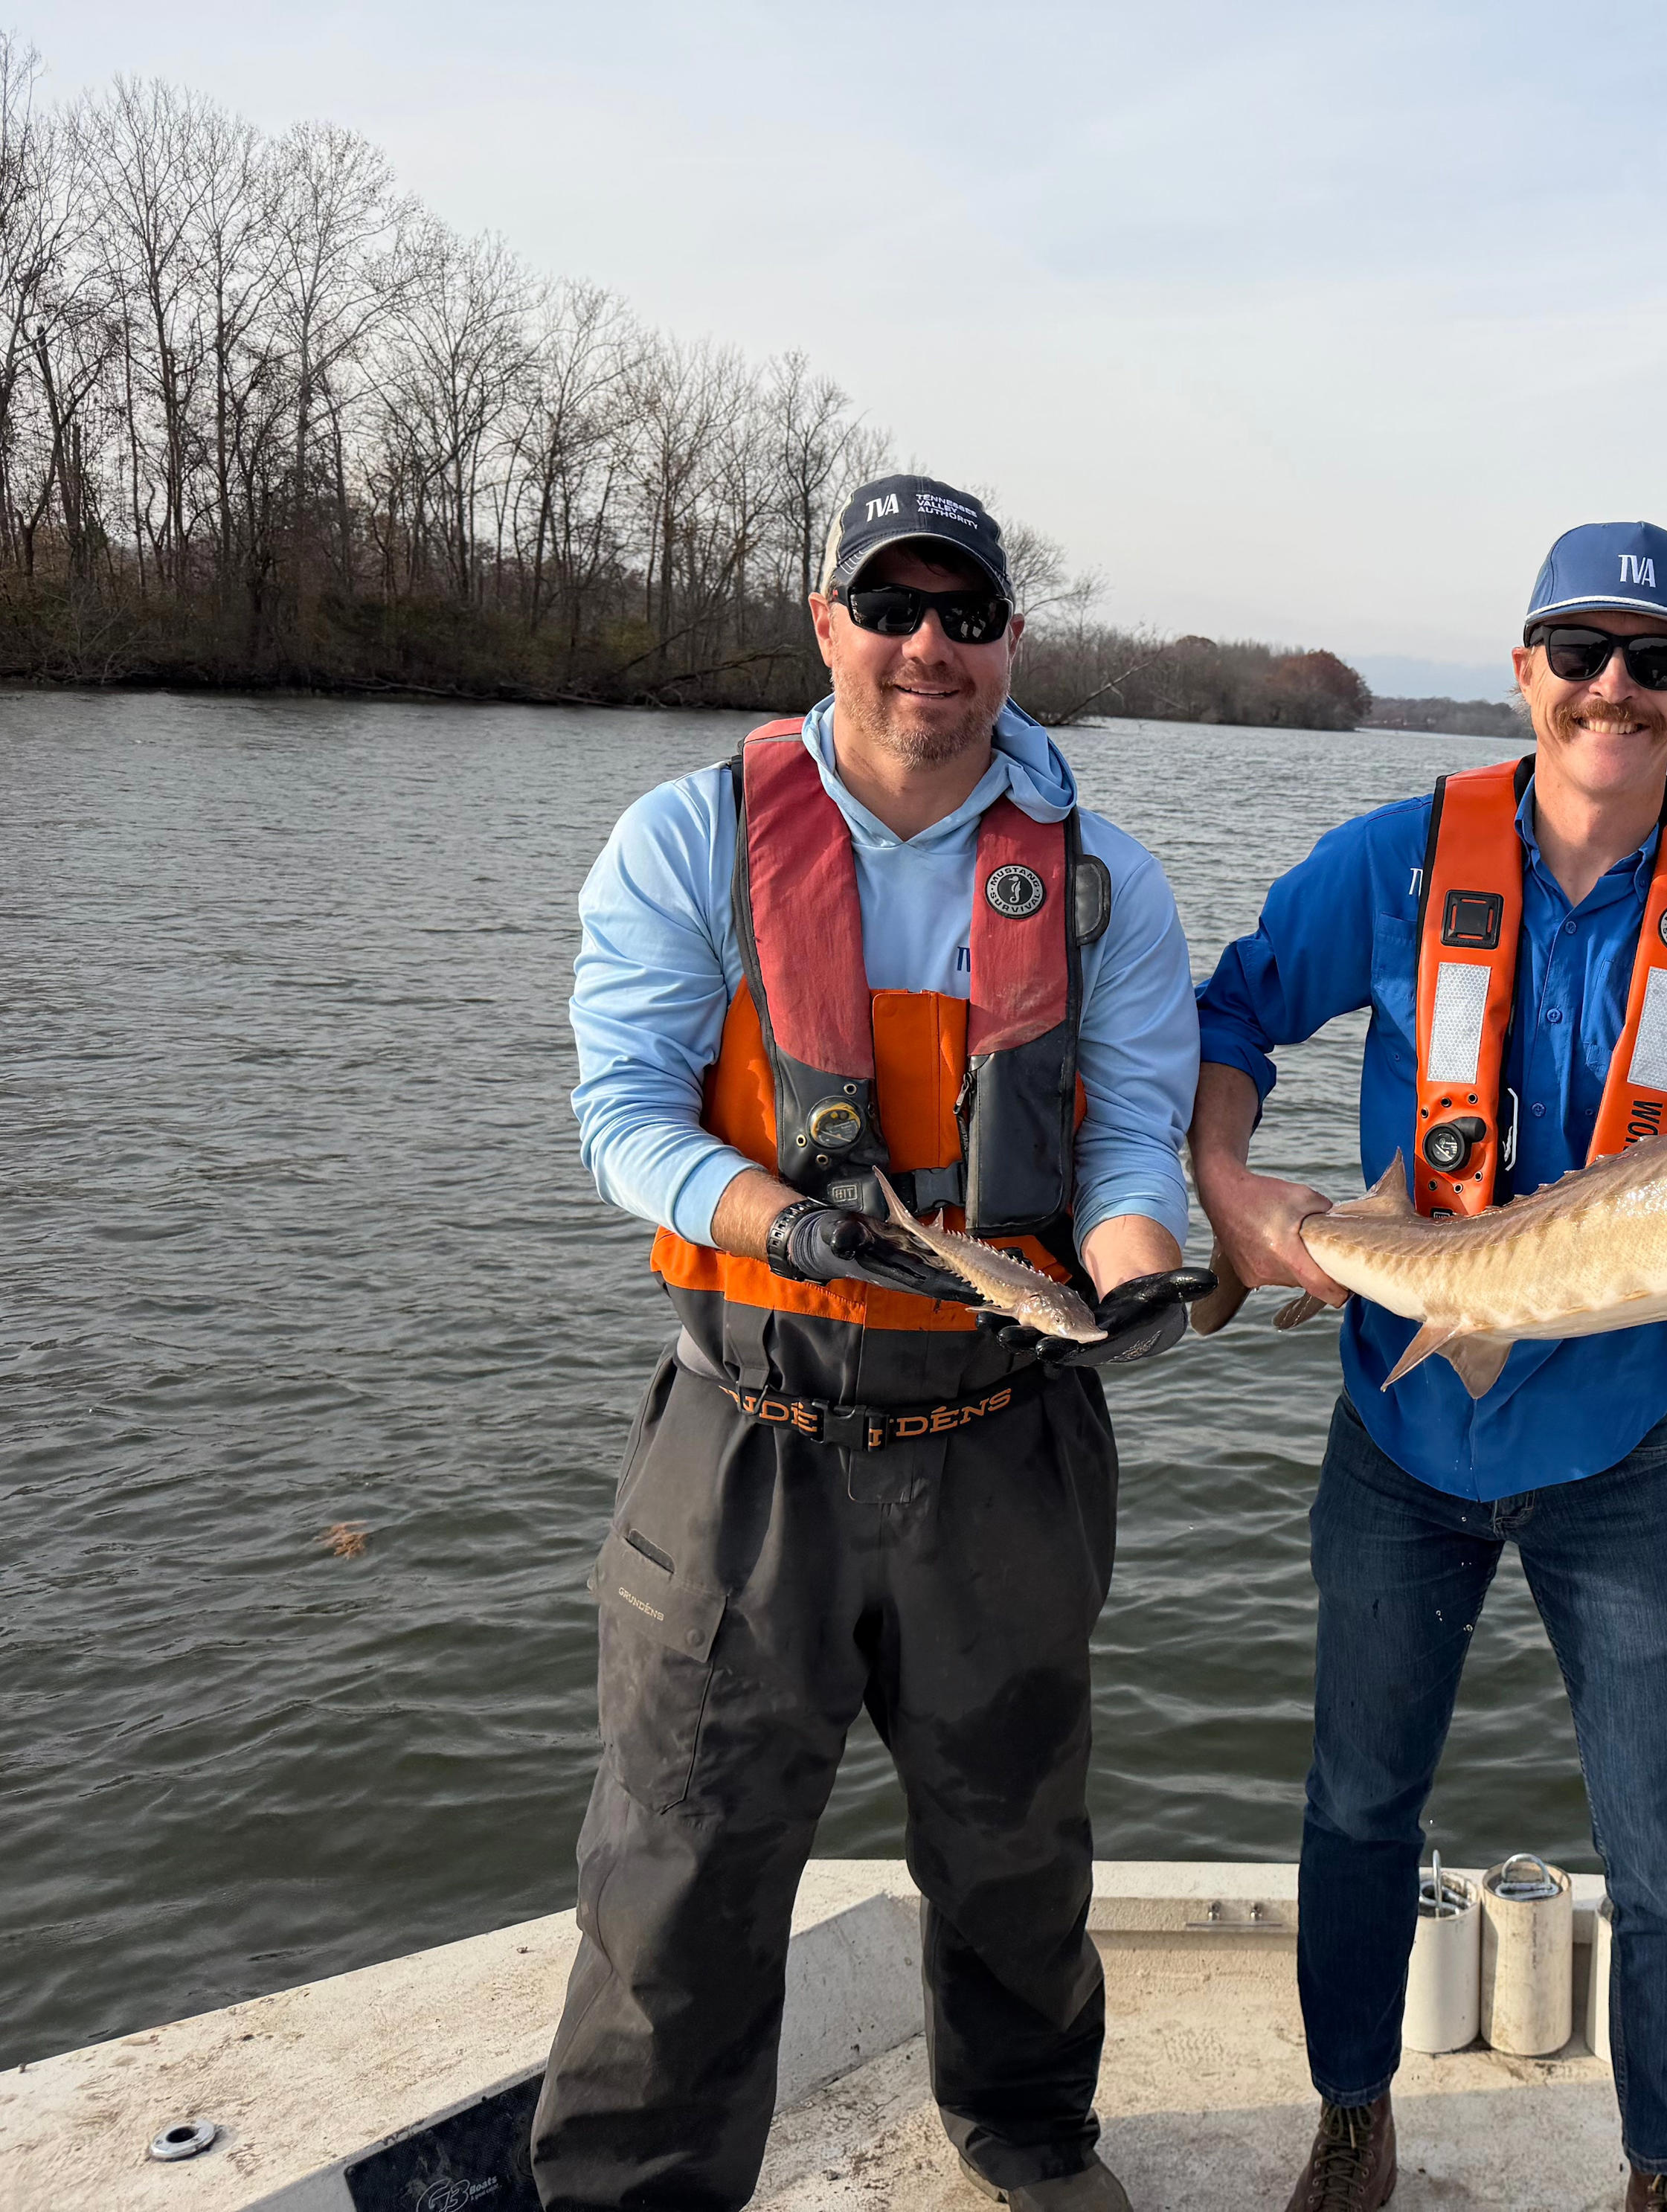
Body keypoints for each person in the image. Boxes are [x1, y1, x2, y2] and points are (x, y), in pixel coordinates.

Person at [535, 473, 1210, 2212]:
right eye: (891, 609)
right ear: (825, 622)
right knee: (678, 1858)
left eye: (967, 614)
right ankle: (632, 2188)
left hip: (1004, 1428)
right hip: (745, 1431)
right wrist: (798, 1223)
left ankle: (1031, 2134)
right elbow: (622, 1120)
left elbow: (1131, 1140)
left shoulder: (1100, 883)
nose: (930, 647)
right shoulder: (690, 837)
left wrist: (1135, 1275)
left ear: (1008, 641)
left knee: (1018, 1845)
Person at [1192, 522, 1667, 2212]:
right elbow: (1229, 1011)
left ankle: (1666, 2172)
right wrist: (1228, 1190)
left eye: (1656, 659)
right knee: (1357, 1806)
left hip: (1624, 1453)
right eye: (1583, 651)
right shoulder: (1399, 860)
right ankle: (1353, 2112)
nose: (1613, 690)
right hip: (1397, 1424)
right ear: (1525, 669)